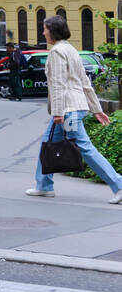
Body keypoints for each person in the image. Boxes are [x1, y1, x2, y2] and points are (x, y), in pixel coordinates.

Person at [26, 15, 122, 202]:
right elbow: (85, 82)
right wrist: (96, 109)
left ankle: (119, 184)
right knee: (47, 144)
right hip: (74, 108)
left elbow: (58, 84)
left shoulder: (57, 52)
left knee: (85, 148)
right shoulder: (70, 50)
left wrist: (58, 113)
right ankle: (44, 186)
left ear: (52, 31)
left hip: (68, 111)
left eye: (45, 28)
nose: (43, 32)